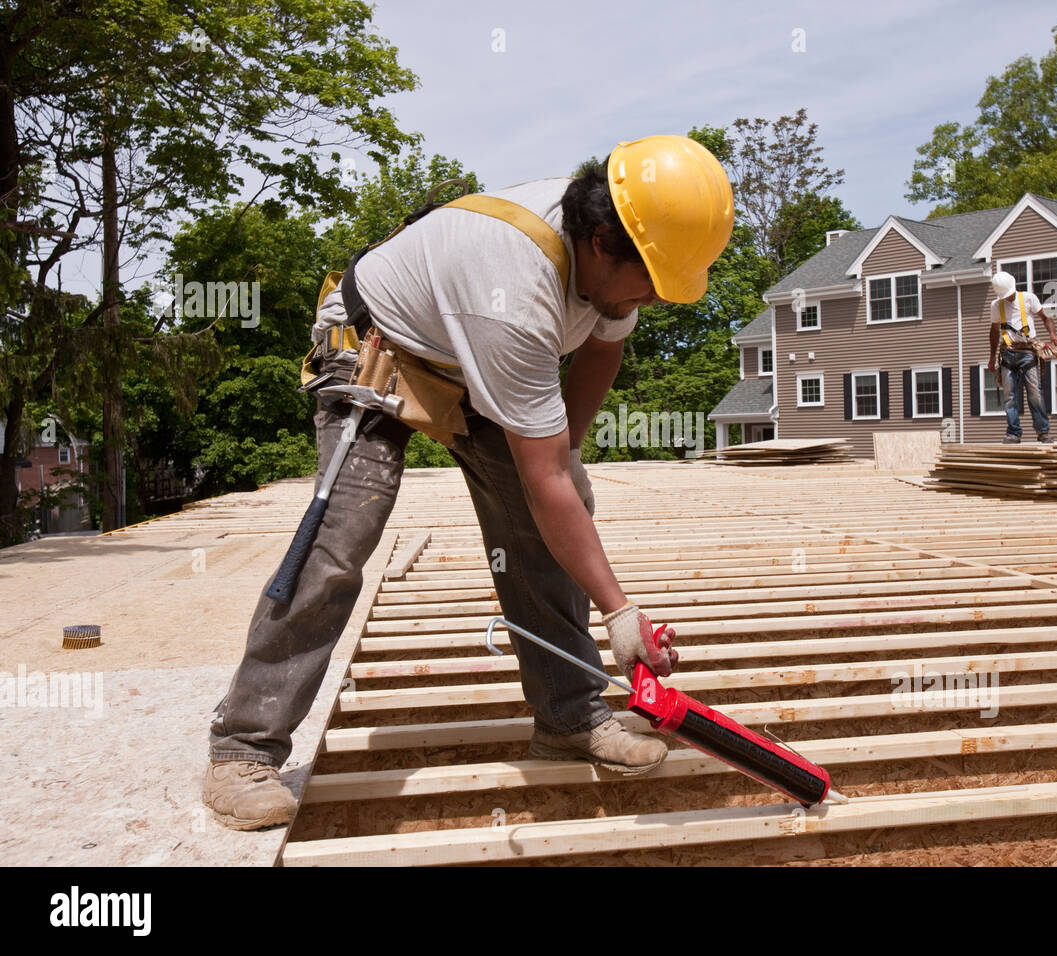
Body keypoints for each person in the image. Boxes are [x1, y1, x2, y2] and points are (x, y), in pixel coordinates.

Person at [201, 135, 735, 830]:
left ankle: (569, 715)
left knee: (545, 520)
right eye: (654, 284)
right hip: (378, 346)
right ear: (602, 241)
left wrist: (566, 458)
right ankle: (241, 748)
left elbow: (604, 350)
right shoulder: (515, 291)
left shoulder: (628, 242)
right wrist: (620, 612)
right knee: (344, 534)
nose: (660, 299)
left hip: (466, 358)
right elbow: (541, 477)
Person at [987, 270, 1057, 444]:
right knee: (1009, 396)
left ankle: (1043, 432)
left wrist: (1053, 334)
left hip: (1028, 352)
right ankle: (1013, 433)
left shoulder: (1028, 298)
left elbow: (1045, 318)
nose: (1008, 298)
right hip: (1007, 353)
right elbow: (994, 332)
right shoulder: (996, 305)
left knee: (1035, 393)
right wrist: (991, 357)